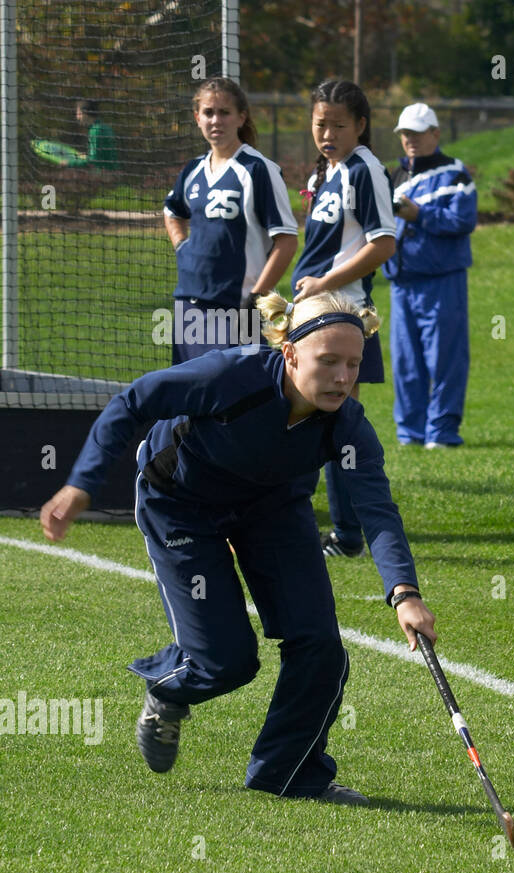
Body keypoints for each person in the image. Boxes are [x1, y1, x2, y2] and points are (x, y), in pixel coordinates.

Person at [38, 292, 436, 806]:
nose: (342, 378)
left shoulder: (348, 425)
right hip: (181, 505)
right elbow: (134, 400)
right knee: (227, 661)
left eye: (353, 364)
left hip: (273, 509)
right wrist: (81, 484)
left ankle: (288, 774)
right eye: (328, 361)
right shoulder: (230, 376)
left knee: (320, 647)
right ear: (290, 354)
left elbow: (376, 510)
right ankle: (167, 689)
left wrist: (404, 593)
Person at [293, 79, 397, 558]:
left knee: (336, 423)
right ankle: (326, 526)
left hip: (343, 313)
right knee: (314, 418)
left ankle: (349, 532)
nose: (328, 134)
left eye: (338, 125)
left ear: (360, 125)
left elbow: (383, 244)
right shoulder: (326, 173)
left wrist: (325, 283)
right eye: (320, 124)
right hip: (314, 309)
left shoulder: (365, 170)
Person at [163, 78, 297, 365]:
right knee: (188, 388)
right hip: (189, 305)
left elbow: (286, 240)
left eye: (224, 112)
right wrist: (182, 247)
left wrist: (257, 295)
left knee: (240, 388)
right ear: (197, 117)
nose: (216, 120)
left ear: (241, 117)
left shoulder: (258, 169)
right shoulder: (193, 170)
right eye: (208, 112)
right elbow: (172, 211)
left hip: (238, 309)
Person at [382, 102, 477, 448]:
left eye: (417, 133)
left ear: (435, 134)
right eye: (405, 134)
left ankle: (442, 432)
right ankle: (410, 432)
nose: (410, 139)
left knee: (445, 359)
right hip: (401, 283)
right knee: (406, 362)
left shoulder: (455, 173)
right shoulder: (394, 176)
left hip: (442, 281)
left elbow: (463, 221)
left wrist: (419, 214)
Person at [75, 99, 119, 171]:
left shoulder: (95, 131)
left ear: (86, 113)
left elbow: (94, 159)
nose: (77, 117)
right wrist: (86, 156)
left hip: (104, 174)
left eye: (79, 113)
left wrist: (70, 163)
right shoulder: (105, 127)